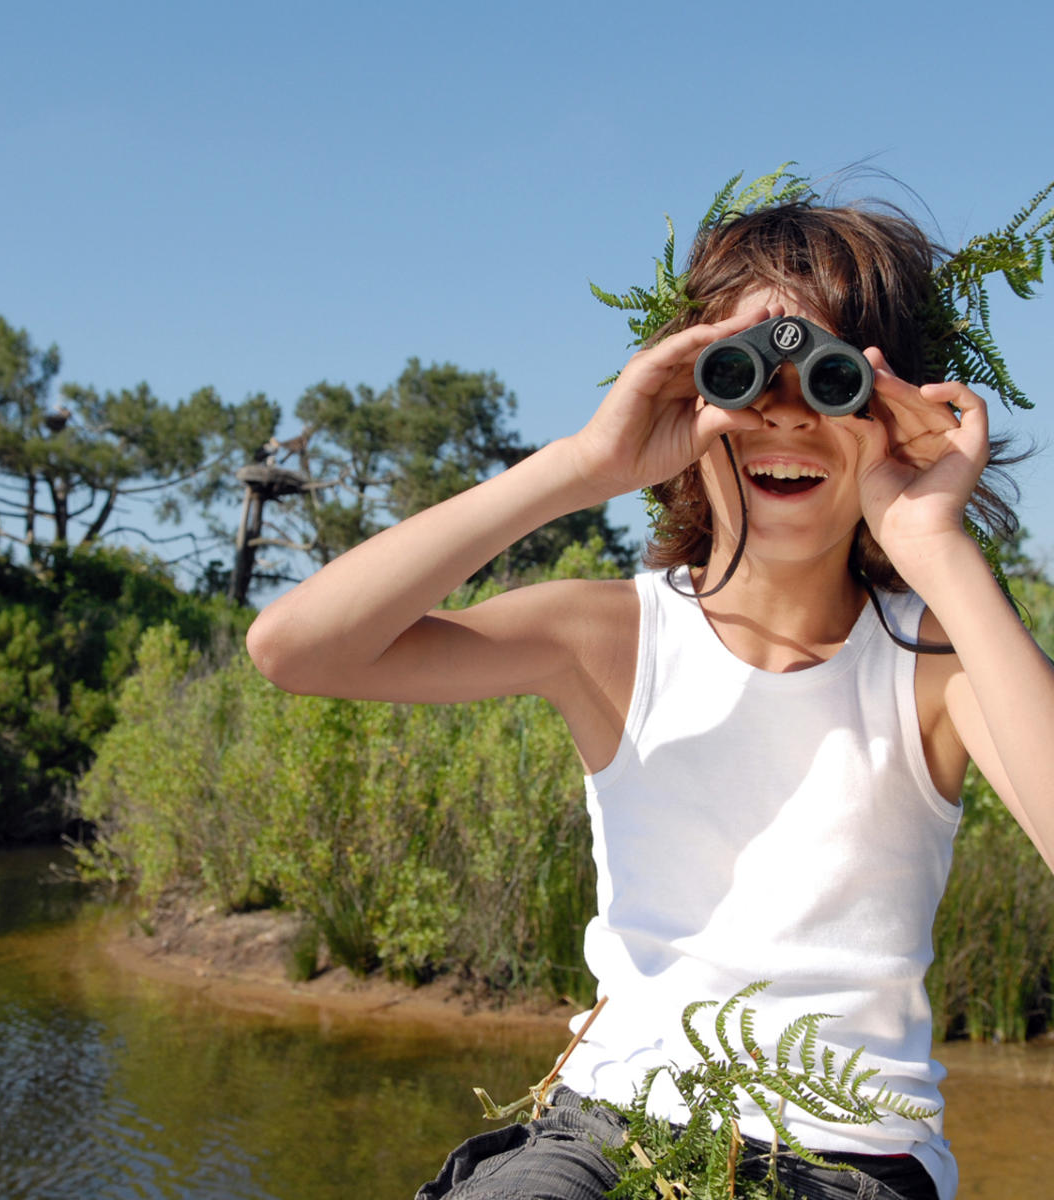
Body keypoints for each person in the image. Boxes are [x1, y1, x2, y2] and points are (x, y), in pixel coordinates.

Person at [245, 198, 1054, 1200]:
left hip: (846, 1159)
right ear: (687, 392)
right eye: (746, 374)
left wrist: (937, 545)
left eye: (836, 381)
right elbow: (295, 649)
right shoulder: (612, 636)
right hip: (604, 1130)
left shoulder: (932, 661)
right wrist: (584, 465)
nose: (788, 415)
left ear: (896, 408)